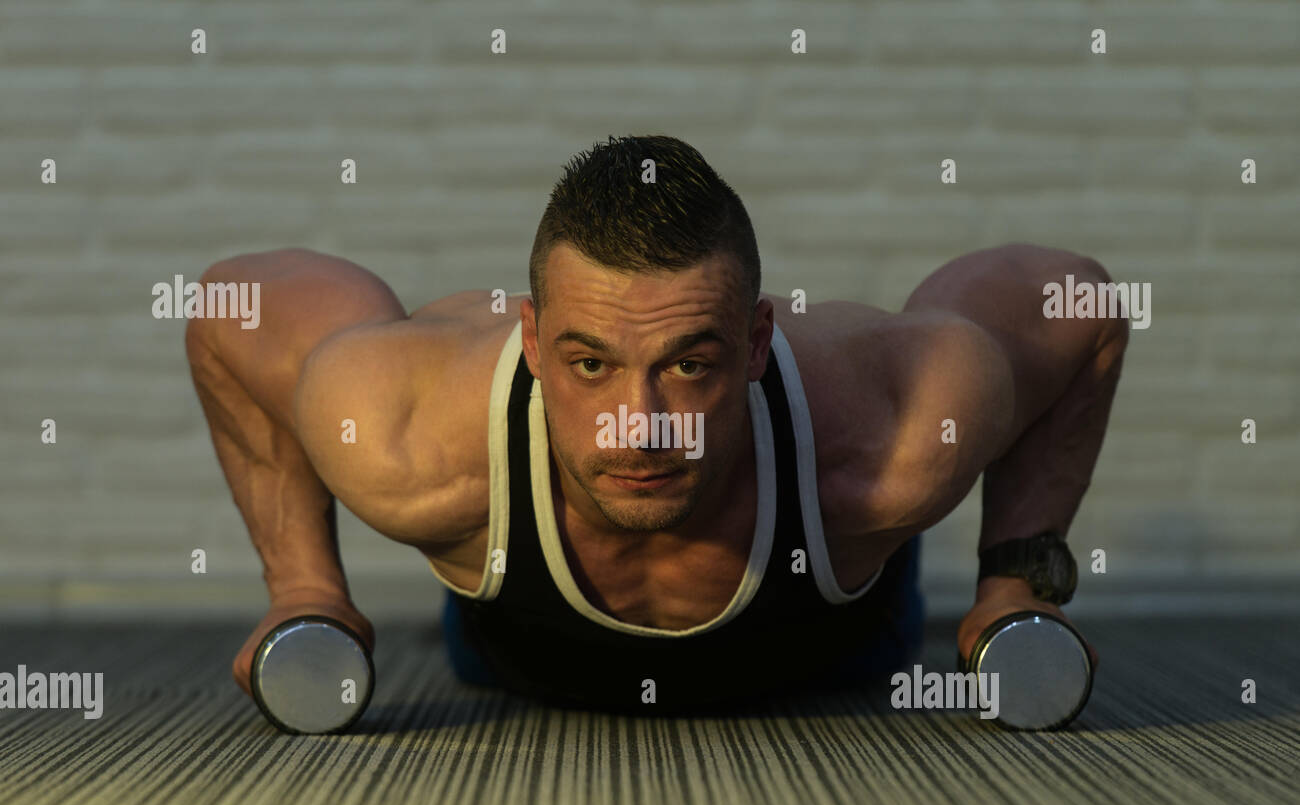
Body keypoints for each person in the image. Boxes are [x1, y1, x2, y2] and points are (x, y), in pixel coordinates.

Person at [186, 134, 1122, 714]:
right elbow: (230, 308)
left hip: (834, 650)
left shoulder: (887, 439)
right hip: (517, 651)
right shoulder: (411, 436)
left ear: (756, 343)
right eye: (591, 364)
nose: (640, 428)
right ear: (534, 341)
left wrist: (1014, 580)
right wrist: (304, 588)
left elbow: (1078, 302)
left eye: (689, 364)